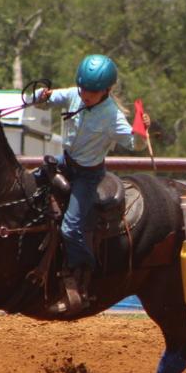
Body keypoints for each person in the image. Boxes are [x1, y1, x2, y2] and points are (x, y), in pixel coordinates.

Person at [31, 54, 150, 314]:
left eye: (93, 92)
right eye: (84, 88)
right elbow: (47, 97)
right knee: (26, 188)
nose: (86, 95)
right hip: (65, 162)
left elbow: (135, 144)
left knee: (71, 228)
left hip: (87, 175)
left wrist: (141, 129)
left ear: (106, 90)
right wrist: (39, 95)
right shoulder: (74, 94)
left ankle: (81, 274)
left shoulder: (112, 116)